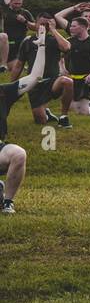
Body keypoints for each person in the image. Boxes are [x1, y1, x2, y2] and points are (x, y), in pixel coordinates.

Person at [0, 18, 50, 212]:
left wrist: (42, 45)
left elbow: (35, 76)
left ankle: (7, 202)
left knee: (19, 154)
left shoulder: (4, 92)